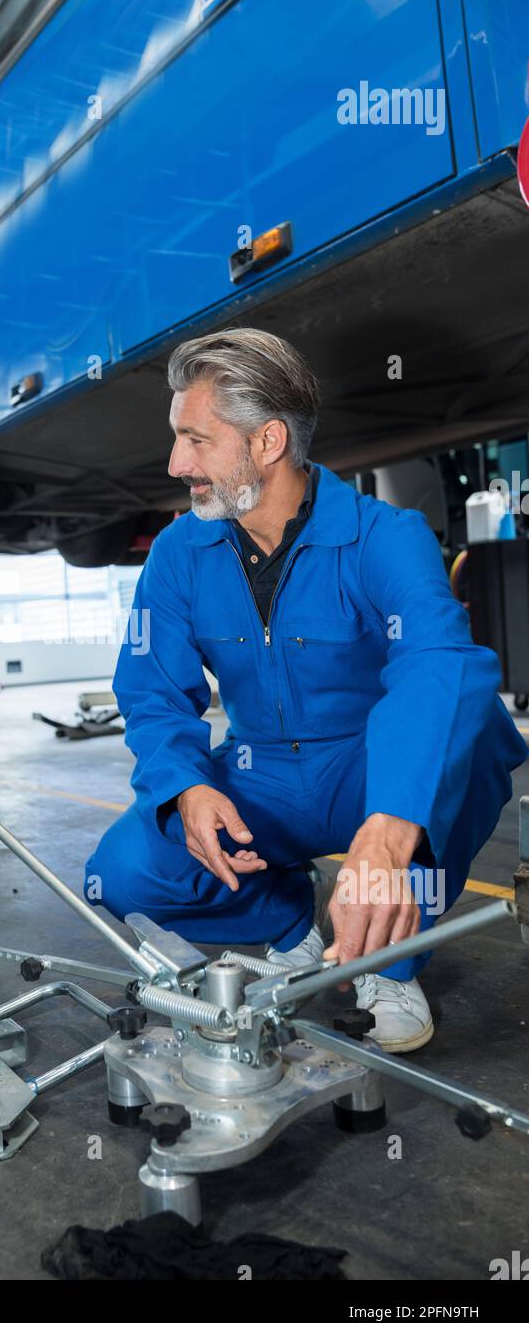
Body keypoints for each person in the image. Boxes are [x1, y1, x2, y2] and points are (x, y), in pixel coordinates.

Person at [84, 328, 528, 1052]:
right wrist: (185, 789)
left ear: (266, 442)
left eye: (195, 440)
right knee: (123, 871)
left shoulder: (383, 536)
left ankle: (388, 961)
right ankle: (284, 925)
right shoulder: (178, 552)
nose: (175, 464)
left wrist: (389, 824)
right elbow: (151, 690)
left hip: (370, 769)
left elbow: (437, 662)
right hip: (264, 775)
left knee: (470, 734)